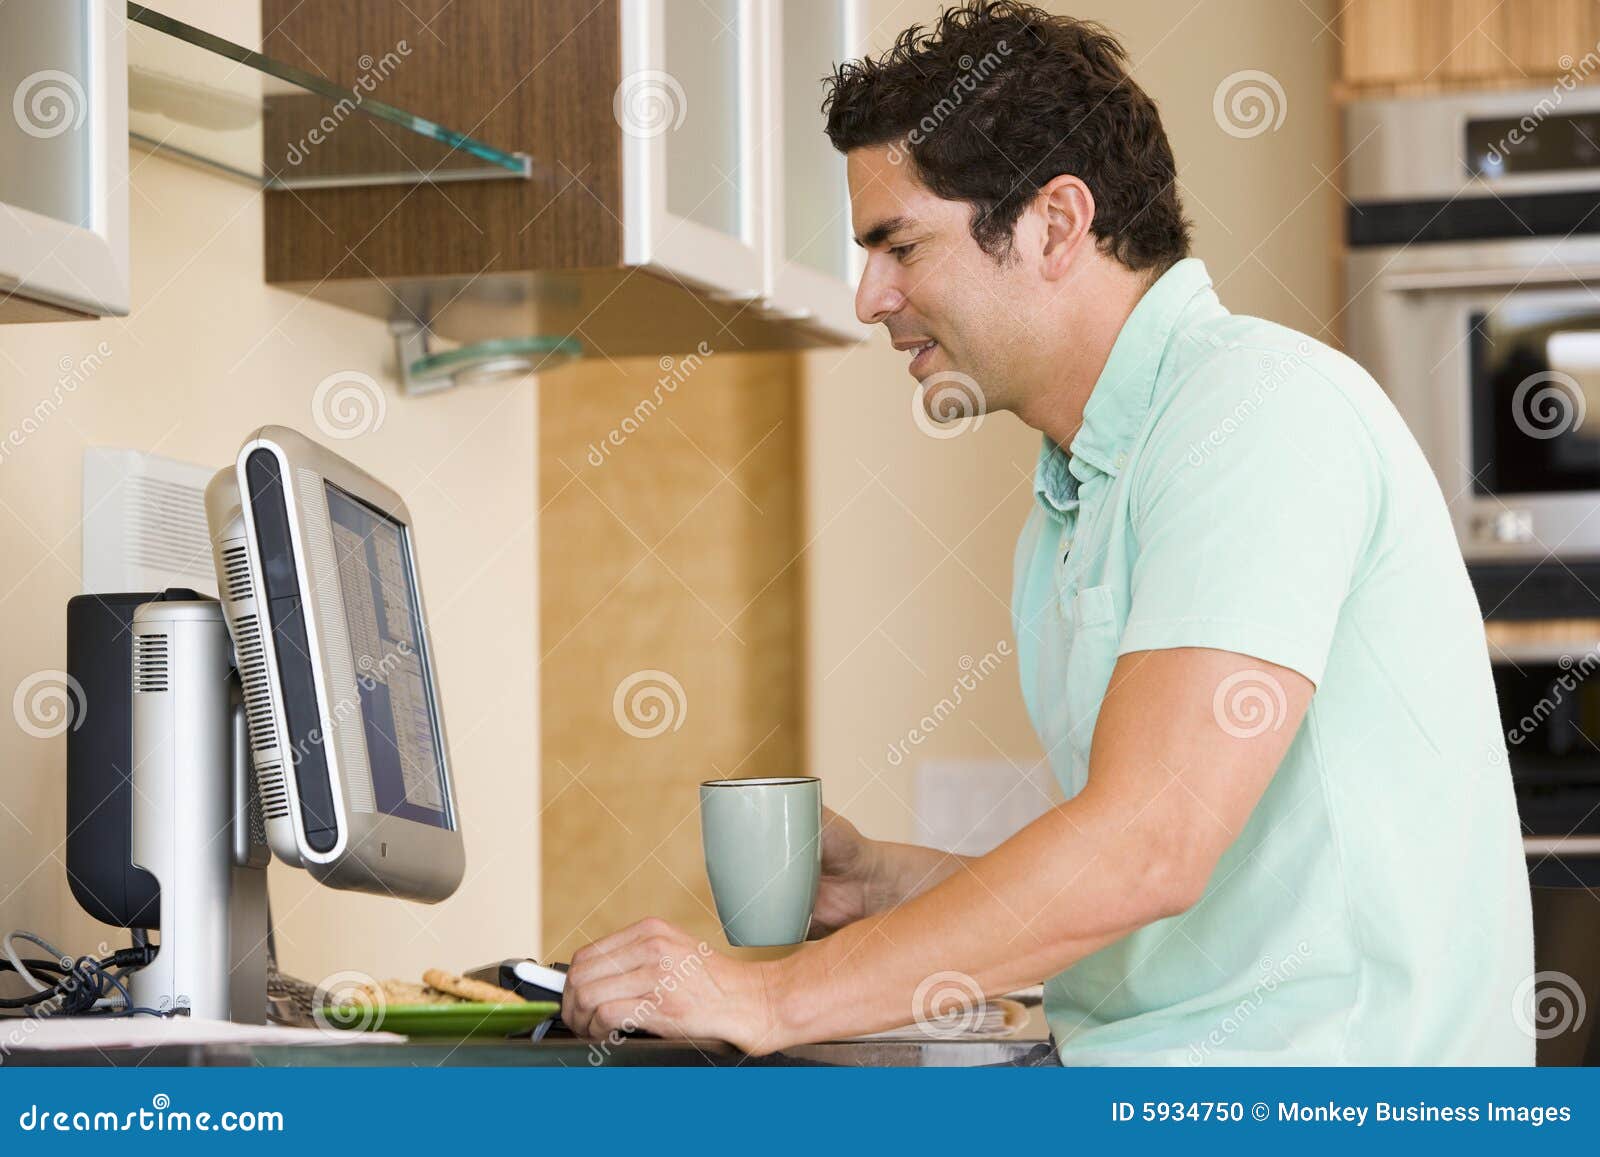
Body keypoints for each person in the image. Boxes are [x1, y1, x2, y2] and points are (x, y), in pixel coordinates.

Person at [561, 0, 1534, 1064]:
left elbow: (1148, 848)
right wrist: (889, 882)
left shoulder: (1255, 413)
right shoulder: (1083, 484)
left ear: (1055, 224)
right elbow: (1164, 907)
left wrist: (776, 996)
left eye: (899, 244)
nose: (869, 295)